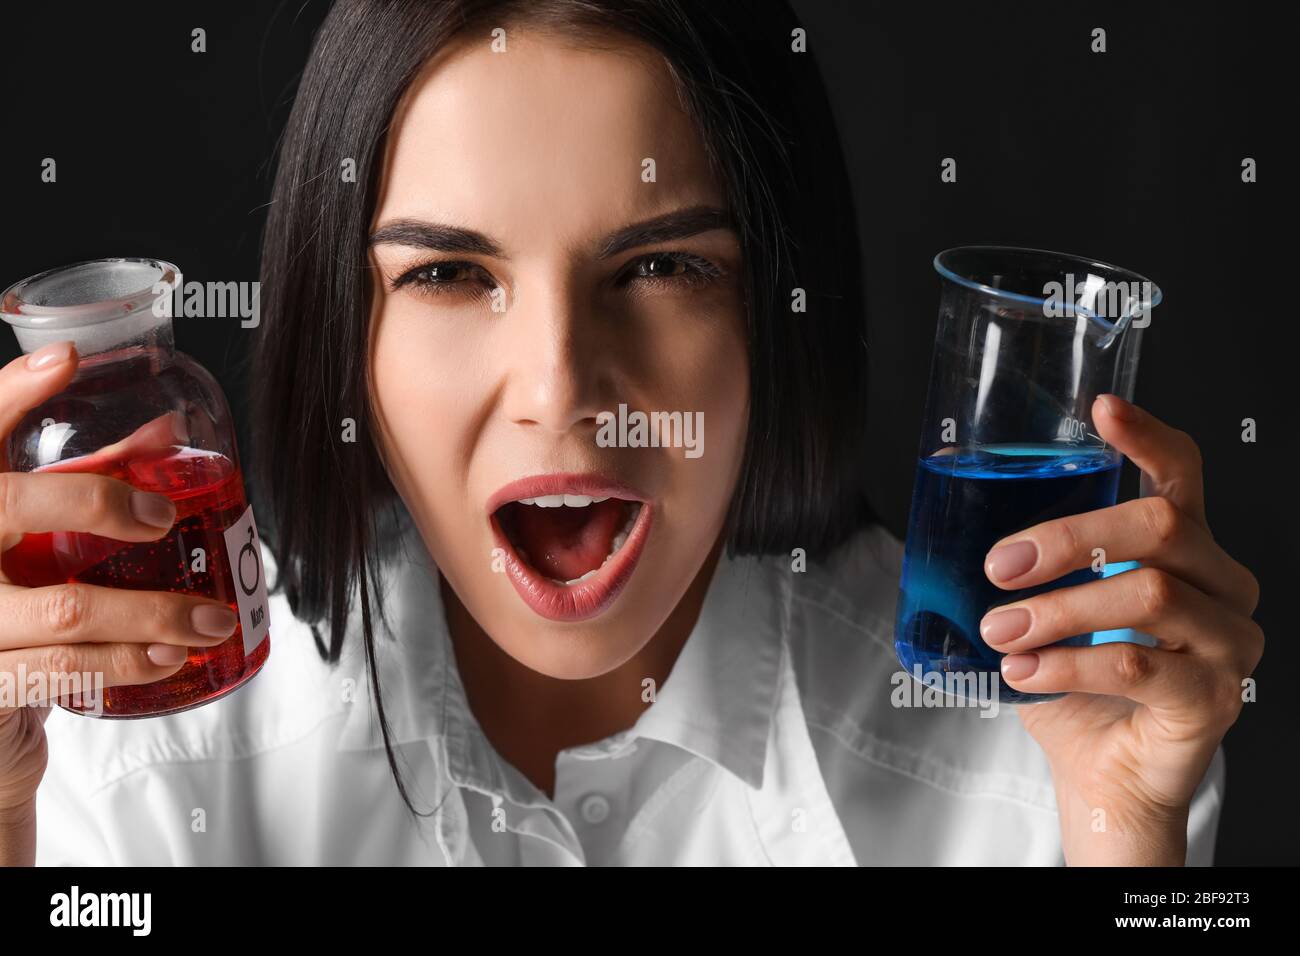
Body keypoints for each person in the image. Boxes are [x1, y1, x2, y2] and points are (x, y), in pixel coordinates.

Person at [2, 0, 1261, 866]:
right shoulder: (133, 762)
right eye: (448, 276)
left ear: (776, 309)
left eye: (660, 268)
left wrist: (1122, 830)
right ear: (350, 336)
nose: (560, 386)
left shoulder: (1027, 743)